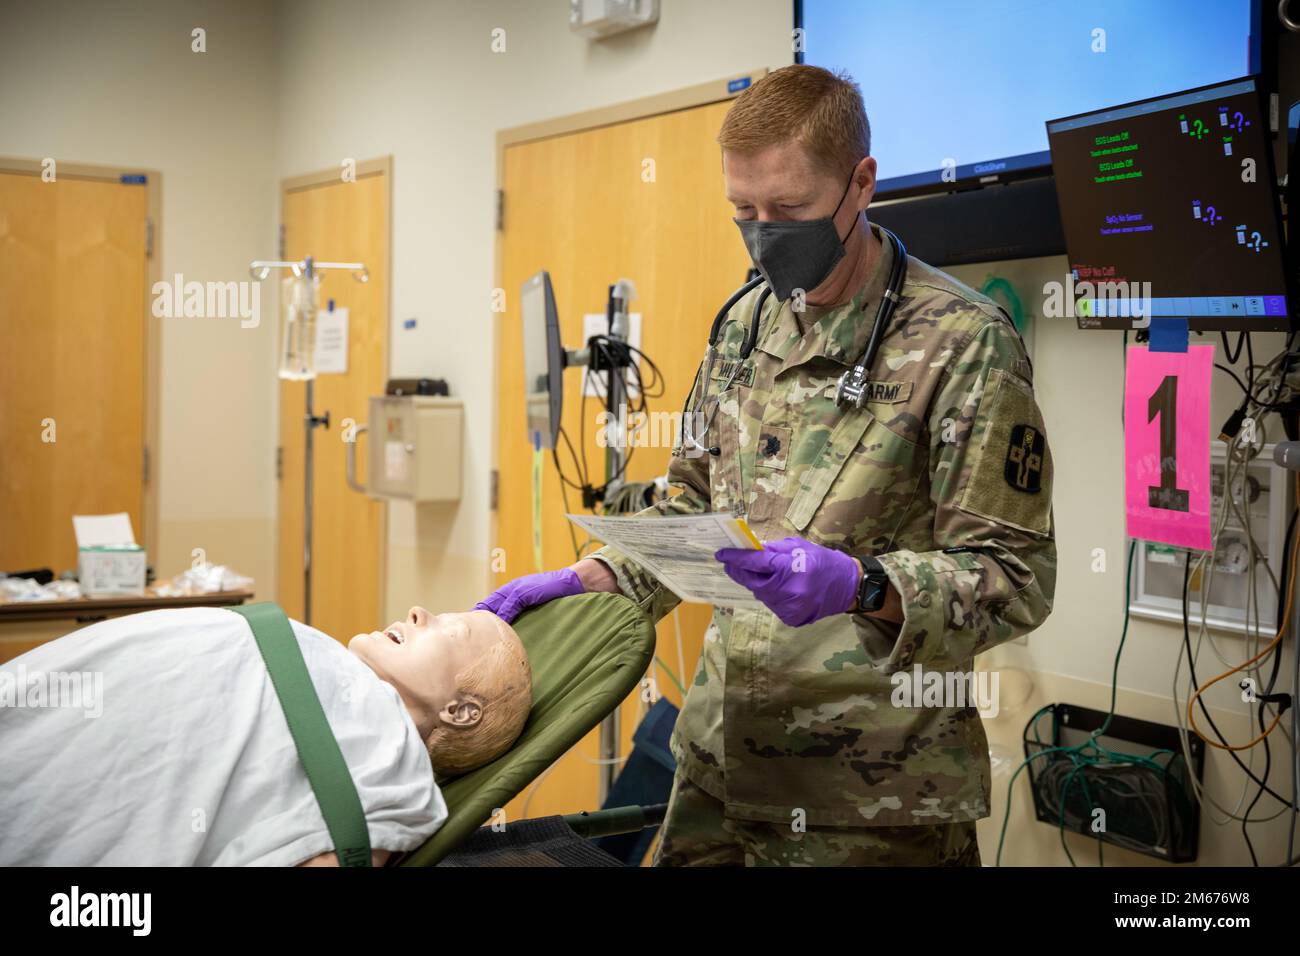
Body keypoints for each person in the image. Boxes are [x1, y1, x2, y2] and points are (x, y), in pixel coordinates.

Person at [477, 64, 1056, 866]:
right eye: (743, 212)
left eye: (789, 210)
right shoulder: (742, 326)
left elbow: (1014, 579)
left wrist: (863, 585)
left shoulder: (965, 343)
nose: (764, 233)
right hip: (720, 769)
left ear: (861, 184)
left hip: (871, 805)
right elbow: (690, 502)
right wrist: (602, 575)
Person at [0, 605, 530, 866]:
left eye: (450, 630)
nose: (419, 610)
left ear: (461, 711)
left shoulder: (397, 770)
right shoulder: (322, 666)